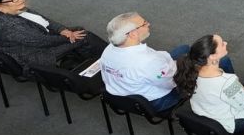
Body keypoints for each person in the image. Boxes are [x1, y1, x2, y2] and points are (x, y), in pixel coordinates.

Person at [99, 12, 234, 111]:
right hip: (157, 100)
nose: (148, 24)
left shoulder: (110, 48)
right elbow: (173, 82)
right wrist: (187, 67)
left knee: (185, 49)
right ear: (133, 34)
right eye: (144, 23)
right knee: (221, 60)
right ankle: (231, 91)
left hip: (124, 92)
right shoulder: (147, 62)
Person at [0, 0, 107, 75]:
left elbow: (45, 20)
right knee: (84, 36)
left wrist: (62, 30)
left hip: (41, 39)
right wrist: (68, 36)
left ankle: (80, 60)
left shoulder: (16, 9)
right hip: (36, 54)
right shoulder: (11, 26)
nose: (21, 0)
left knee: (78, 30)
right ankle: (112, 60)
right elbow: (43, 42)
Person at [173, 34, 244, 134]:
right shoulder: (227, 82)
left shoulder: (191, 72)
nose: (226, 43)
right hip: (234, 123)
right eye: (222, 44)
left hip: (207, 112)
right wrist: (242, 90)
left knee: (226, 63)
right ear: (213, 56)